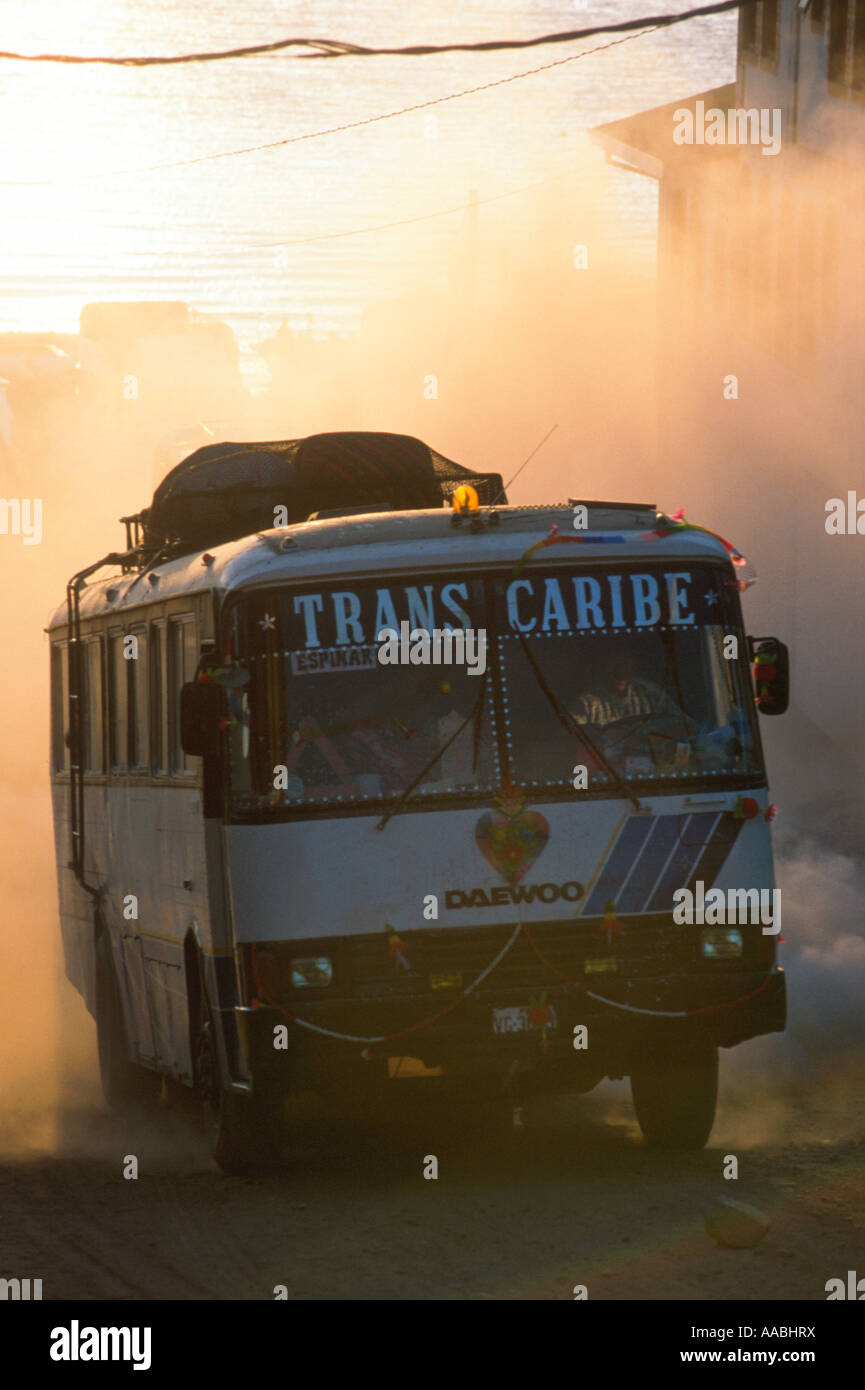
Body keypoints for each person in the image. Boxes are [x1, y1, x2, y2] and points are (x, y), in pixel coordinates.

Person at [571, 649, 685, 729]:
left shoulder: (653, 694)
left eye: (625, 664)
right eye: (615, 666)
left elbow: (686, 725)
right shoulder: (586, 704)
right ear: (602, 667)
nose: (621, 671)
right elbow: (574, 738)